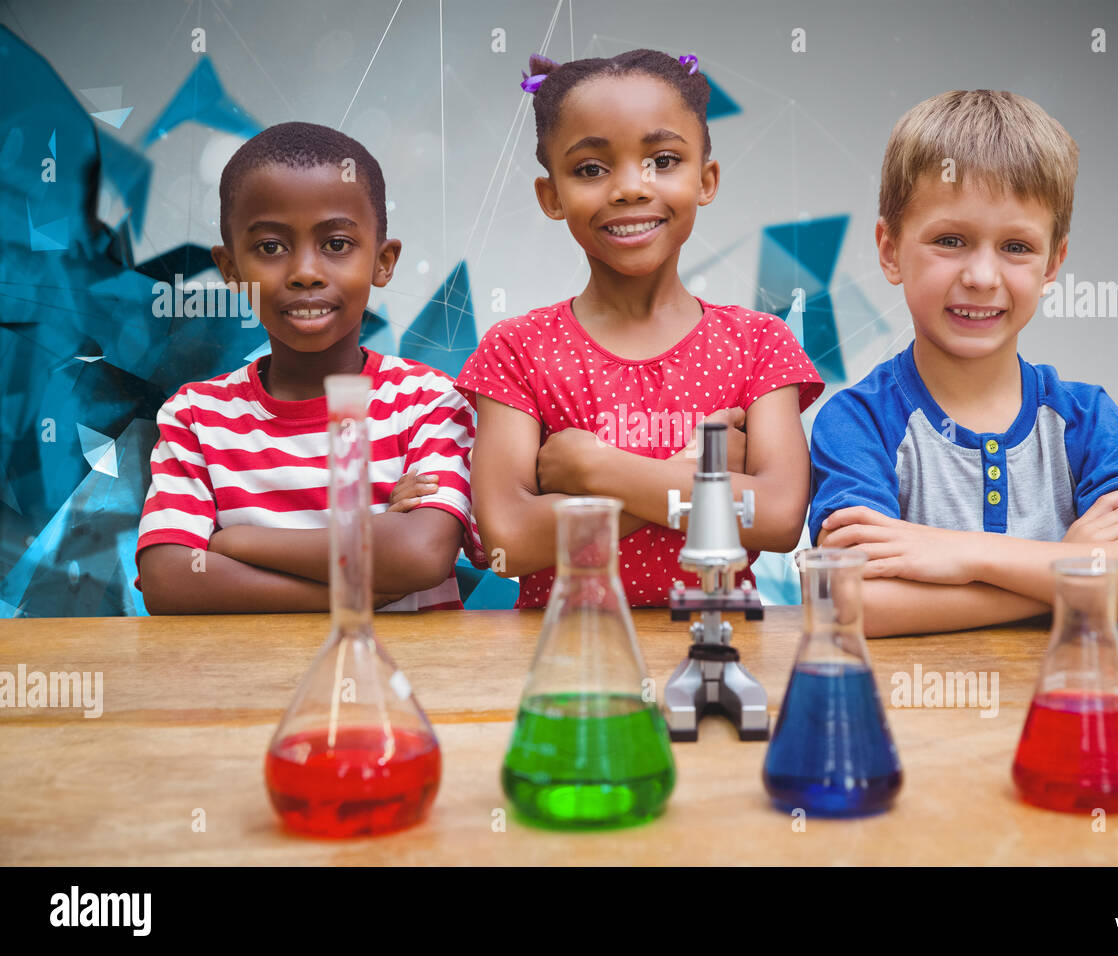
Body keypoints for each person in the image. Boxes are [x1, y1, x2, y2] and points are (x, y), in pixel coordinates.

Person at [808, 90, 1118, 636]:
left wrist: (963, 556)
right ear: (889, 250)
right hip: (912, 719)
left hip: (1063, 715)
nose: (983, 277)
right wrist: (1070, 571)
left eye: (1016, 247)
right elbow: (846, 605)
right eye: (951, 240)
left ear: (1053, 262)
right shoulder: (857, 422)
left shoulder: (1085, 418)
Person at [452, 50, 823, 607]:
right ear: (551, 195)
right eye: (591, 169)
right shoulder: (516, 350)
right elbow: (510, 542)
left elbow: (775, 519)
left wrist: (594, 468)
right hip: (563, 665)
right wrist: (692, 479)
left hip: (719, 654)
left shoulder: (759, 344)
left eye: (664, 160)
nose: (630, 188)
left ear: (706, 178)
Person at [136, 122, 477, 613]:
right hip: (246, 688)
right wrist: (359, 582)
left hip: (411, 684)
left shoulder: (429, 402)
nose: (305, 273)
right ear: (231, 270)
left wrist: (237, 542)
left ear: (383, 261)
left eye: (336, 244)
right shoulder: (195, 416)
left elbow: (419, 555)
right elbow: (170, 580)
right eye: (270, 247)